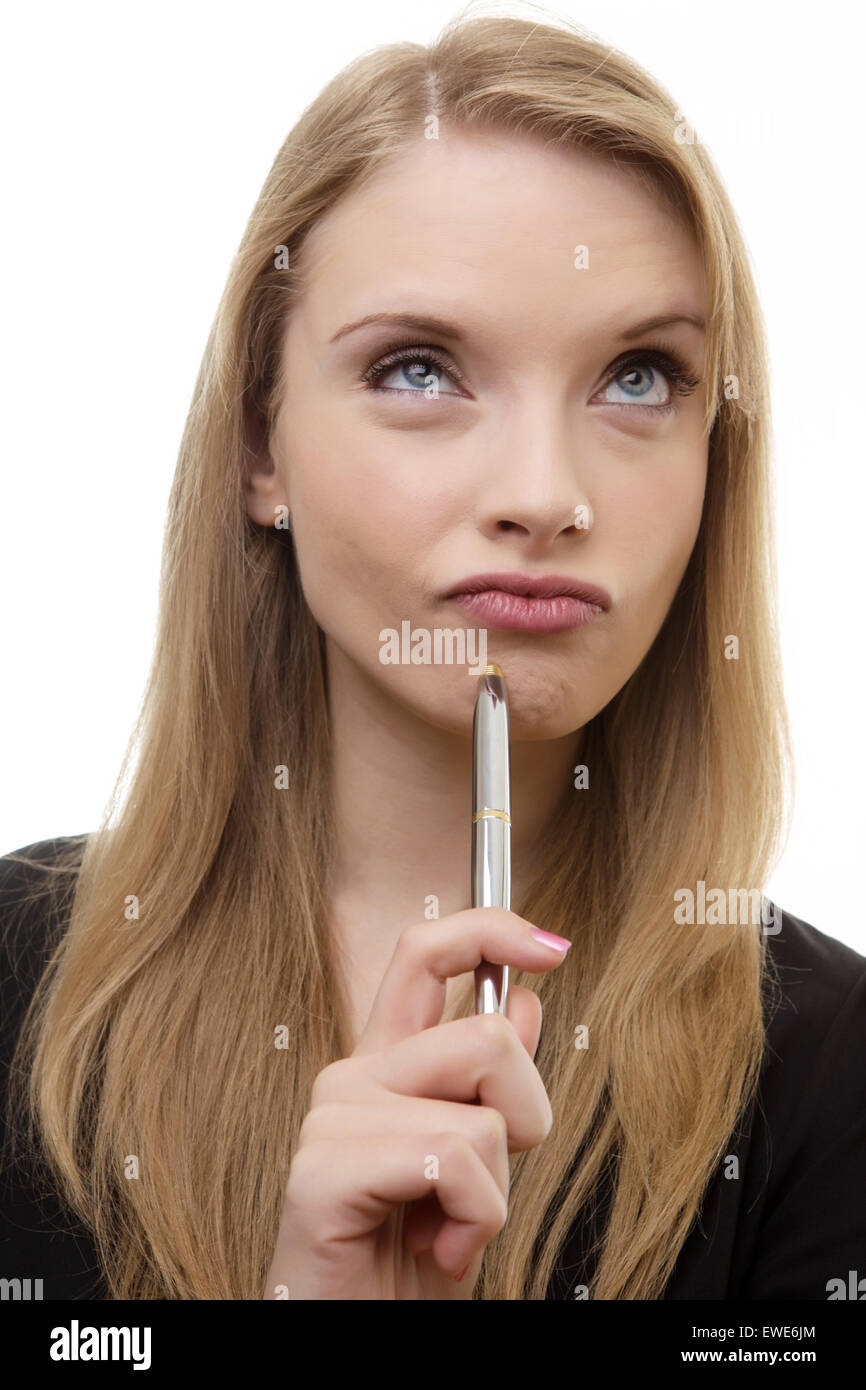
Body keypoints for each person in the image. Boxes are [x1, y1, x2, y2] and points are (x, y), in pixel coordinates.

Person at [2, 8, 864, 1302]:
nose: (541, 493)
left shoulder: (832, 1067)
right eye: (418, 367)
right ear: (259, 446)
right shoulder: (17, 984)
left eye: (638, 376)